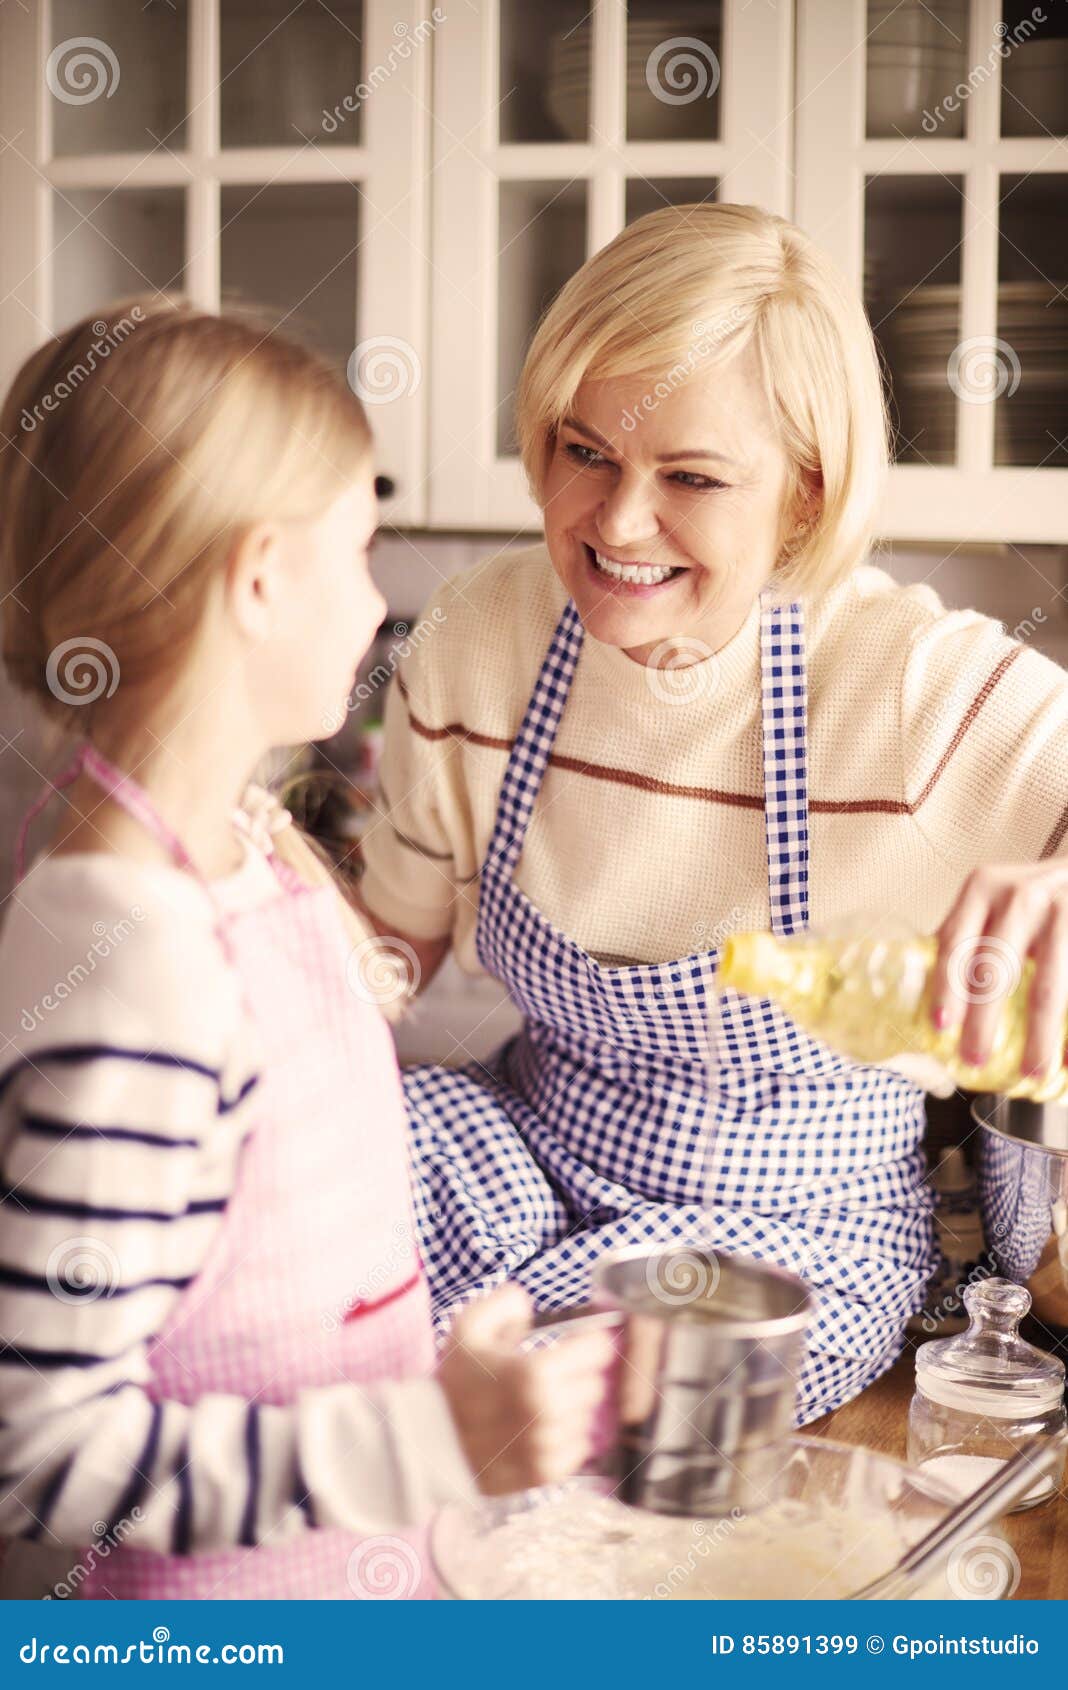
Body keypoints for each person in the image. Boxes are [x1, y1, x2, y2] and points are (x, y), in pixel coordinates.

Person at [358, 202, 1068, 1424]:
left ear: (805, 493)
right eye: (585, 451)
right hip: (530, 1147)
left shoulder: (906, 683)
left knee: (600, 1414)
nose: (617, 522)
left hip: (798, 1229)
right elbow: (390, 951)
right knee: (298, 1245)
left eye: (690, 476)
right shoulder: (479, 634)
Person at [0, 298, 612, 1599]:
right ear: (262, 576)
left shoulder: (241, 848)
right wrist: (424, 1439)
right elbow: (43, 1450)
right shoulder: (134, 965)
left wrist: (444, 1385)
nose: (379, 600)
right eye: (361, 548)